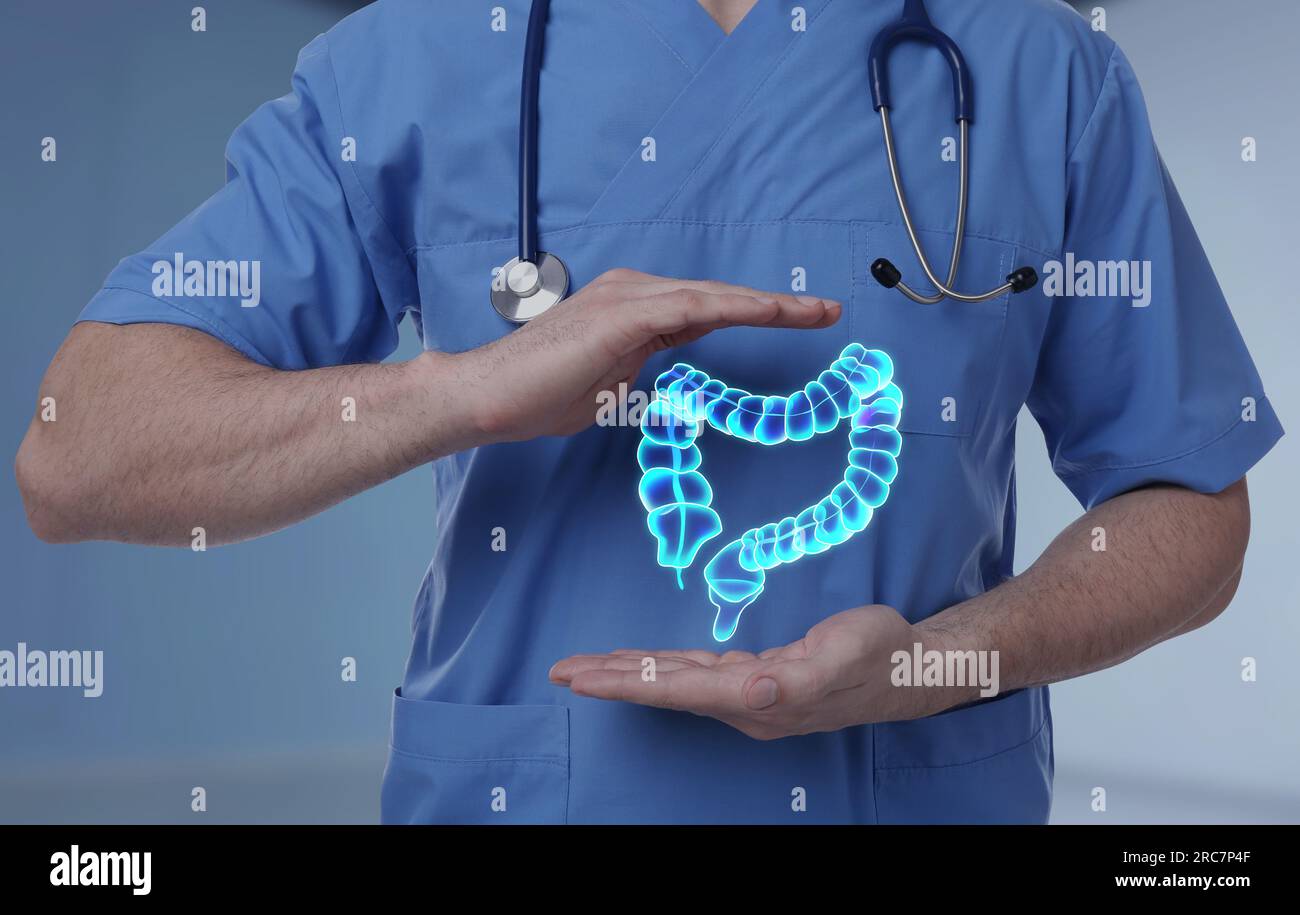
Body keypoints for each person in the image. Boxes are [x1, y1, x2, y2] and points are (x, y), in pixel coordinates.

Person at [15, 0, 1282, 824]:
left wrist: (934, 667)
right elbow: (79, 456)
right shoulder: (415, 60)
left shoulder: (1036, 71)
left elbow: (1187, 501)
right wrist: (458, 393)